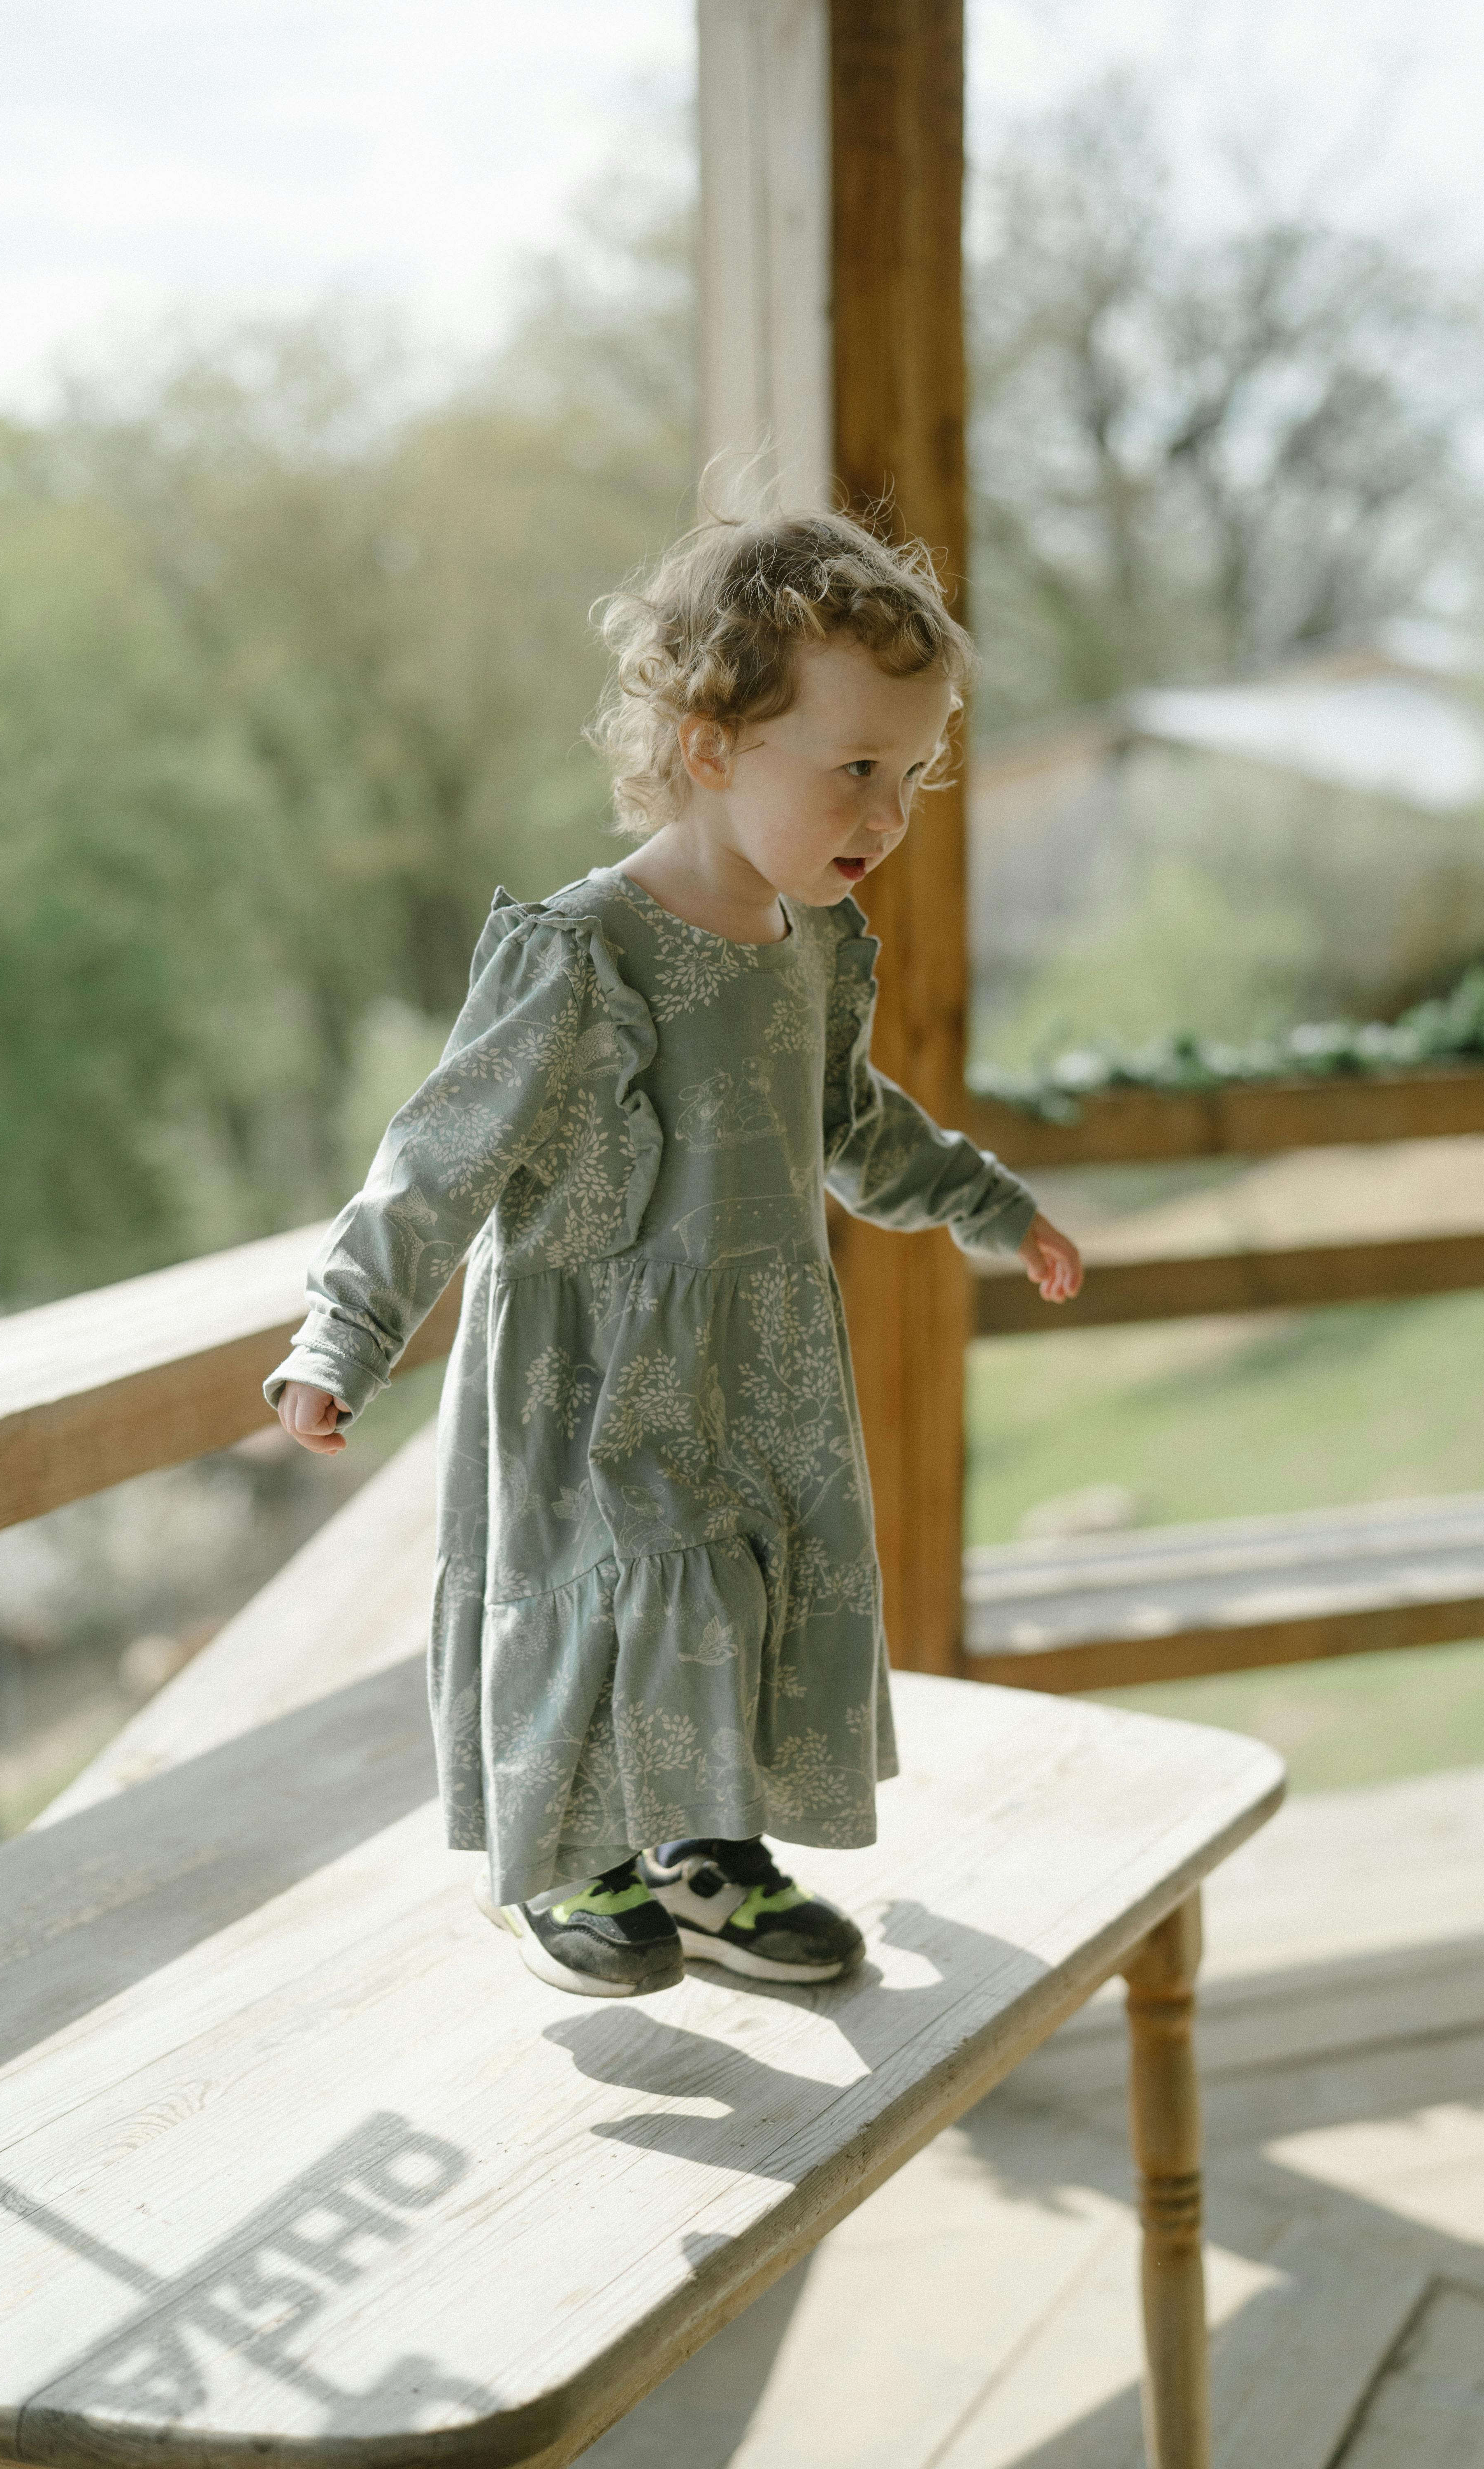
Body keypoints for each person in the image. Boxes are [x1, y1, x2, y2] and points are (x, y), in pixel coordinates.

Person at [266, 509, 1083, 2001]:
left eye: (913, 773)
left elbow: (852, 1123)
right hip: (594, 1362)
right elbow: (437, 1157)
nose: (891, 813)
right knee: (613, 1582)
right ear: (711, 746)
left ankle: (708, 1861)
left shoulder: (818, 945)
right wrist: (342, 1332)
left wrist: (987, 1203)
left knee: (736, 1596)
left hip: (757, 1353)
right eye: (856, 770)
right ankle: (567, 1861)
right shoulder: (581, 956)